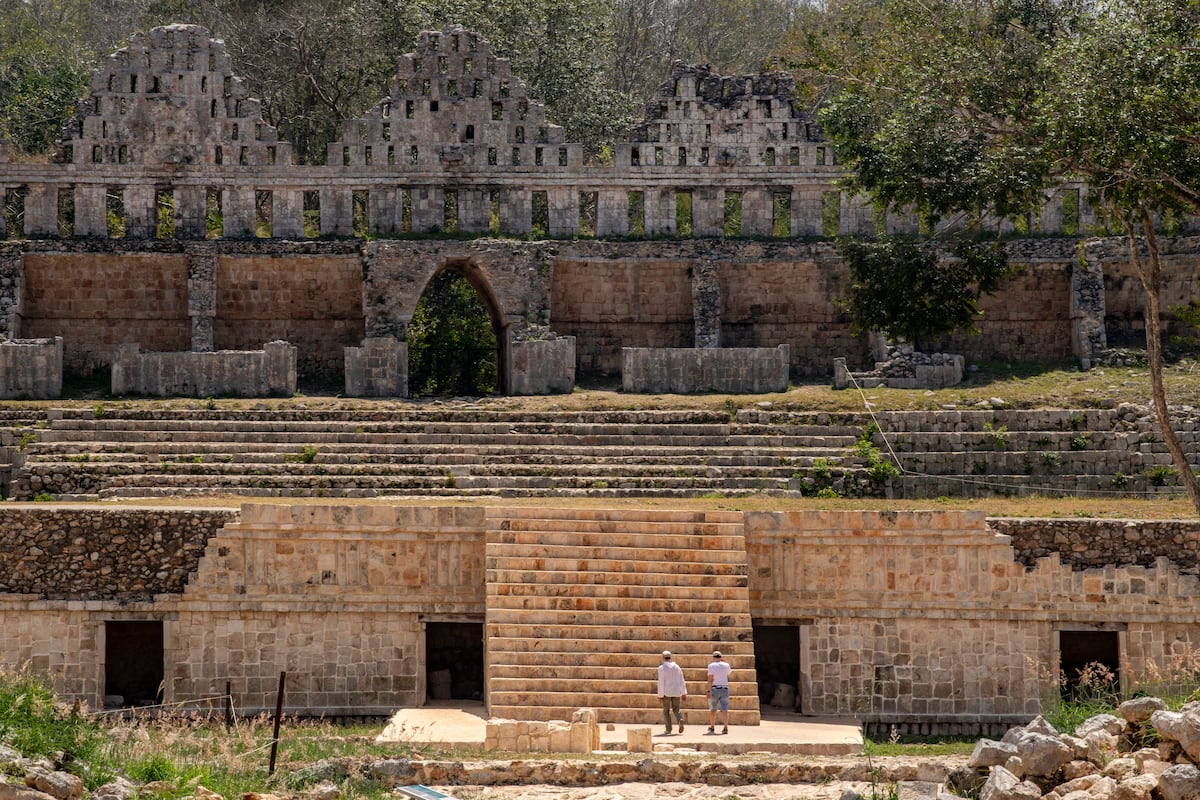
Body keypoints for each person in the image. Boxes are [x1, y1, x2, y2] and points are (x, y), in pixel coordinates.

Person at [656, 650, 687, 734]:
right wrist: (683, 692)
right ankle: (679, 719)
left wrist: (660, 695)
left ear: (663, 658)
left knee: (666, 711)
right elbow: (681, 680)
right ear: (670, 657)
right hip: (676, 691)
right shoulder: (677, 667)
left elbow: (661, 682)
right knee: (676, 709)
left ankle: (668, 729)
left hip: (666, 692)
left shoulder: (662, 668)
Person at [705, 649, 731, 734]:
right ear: (721, 657)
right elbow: (729, 673)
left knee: (713, 709)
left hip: (715, 689)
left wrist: (708, 691)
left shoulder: (711, 666)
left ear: (713, 657)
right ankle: (725, 727)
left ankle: (712, 726)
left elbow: (710, 679)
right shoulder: (726, 665)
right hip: (725, 688)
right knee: (725, 709)